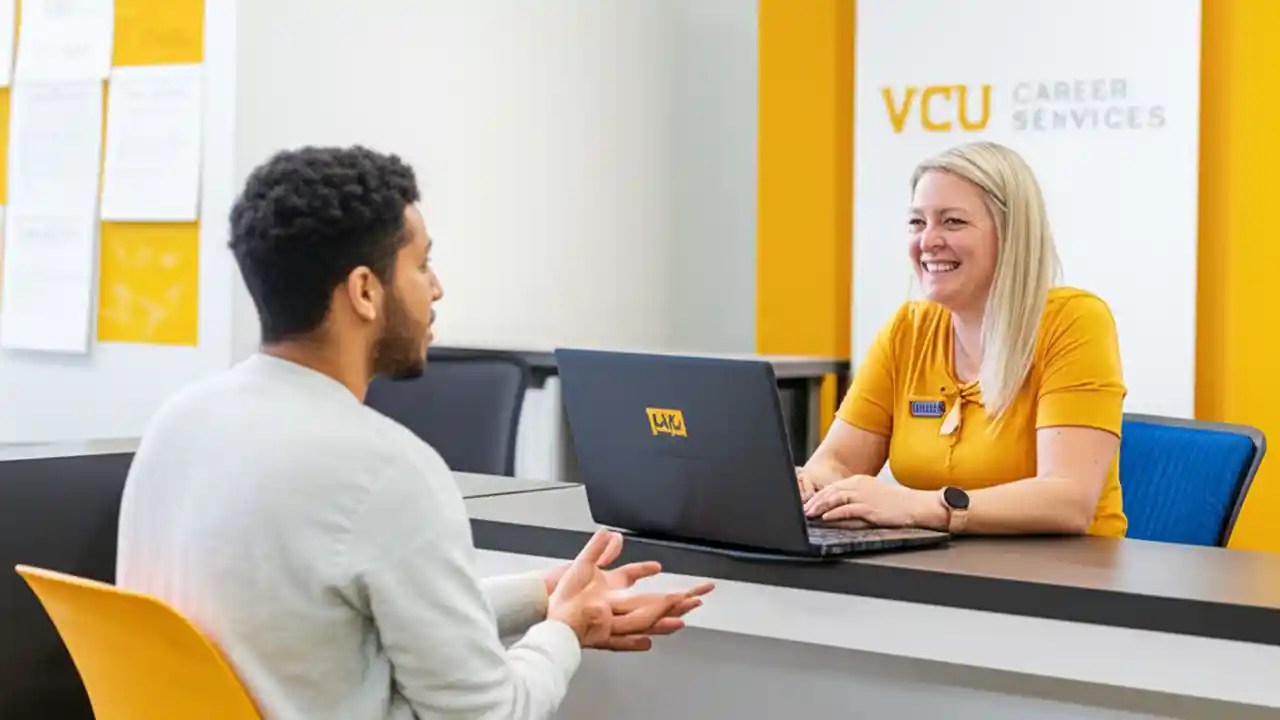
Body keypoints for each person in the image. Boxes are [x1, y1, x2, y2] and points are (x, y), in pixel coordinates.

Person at [115, 146, 712, 719]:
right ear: (365, 291)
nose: (436, 288)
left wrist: (541, 596)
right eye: (422, 264)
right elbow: (494, 713)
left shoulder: (179, 424)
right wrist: (565, 631)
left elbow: (337, 629)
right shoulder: (385, 471)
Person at [799, 141, 1126, 538]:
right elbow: (835, 461)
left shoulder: (1074, 321)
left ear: (1012, 233)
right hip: (942, 573)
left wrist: (919, 506)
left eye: (952, 222)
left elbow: (1068, 500)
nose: (928, 240)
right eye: (917, 223)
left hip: (1068, 583)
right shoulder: (908, 329)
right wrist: (814, 485)